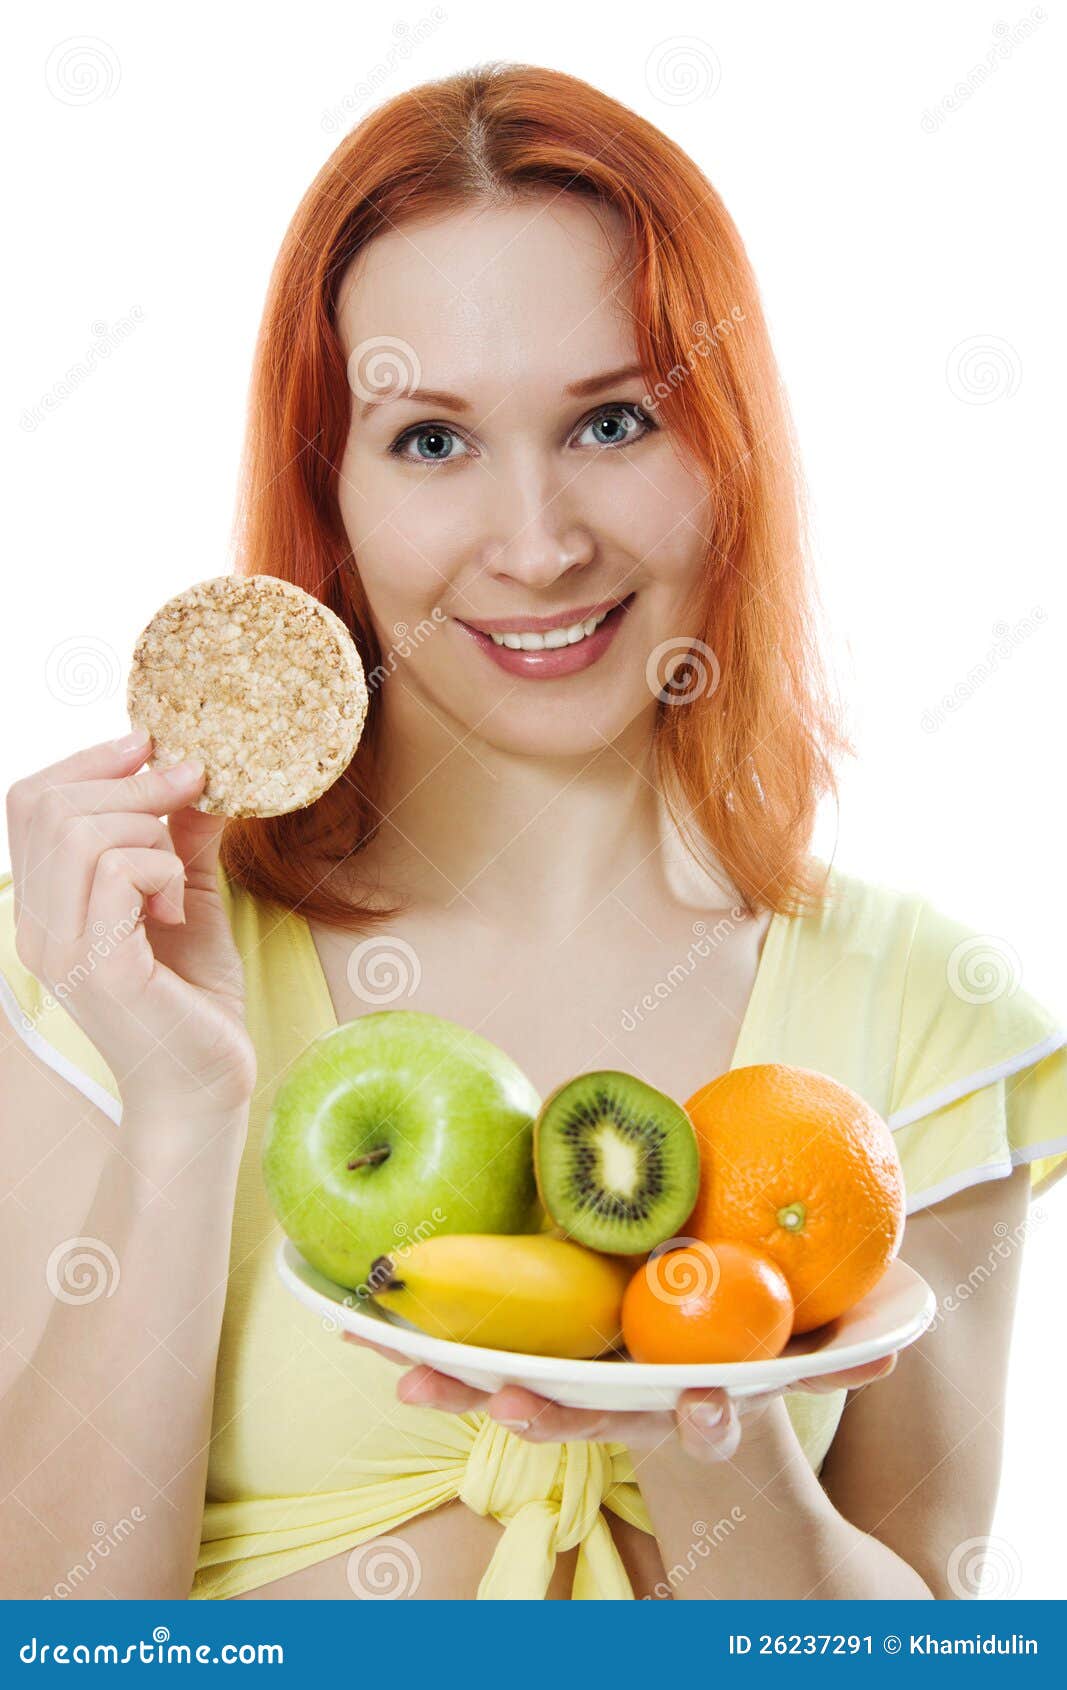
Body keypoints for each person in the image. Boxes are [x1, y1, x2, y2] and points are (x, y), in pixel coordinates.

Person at [2, 62, 1064, 1603]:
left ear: (731, 450)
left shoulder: (930, 1015)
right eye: (432, 439)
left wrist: (709, 1430)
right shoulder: (111, 954)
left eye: (614, 420)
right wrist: (180, 1114)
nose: (539, 542)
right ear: (334, 491)